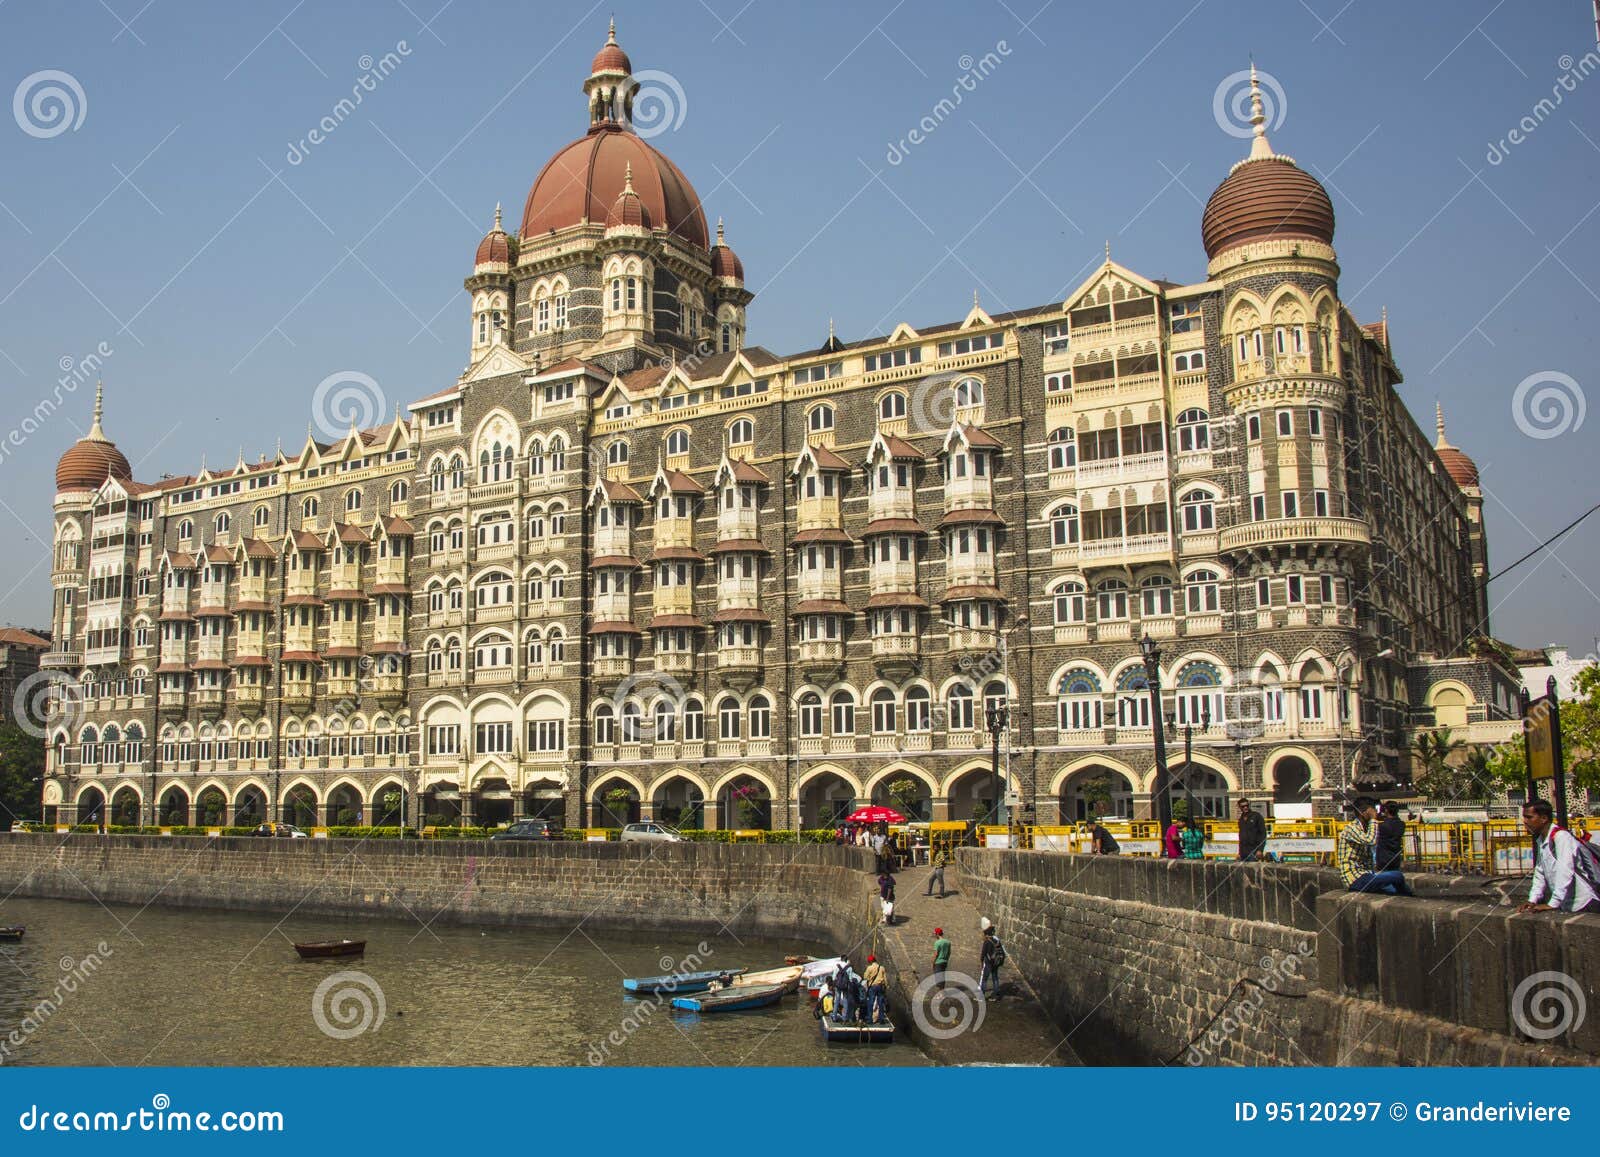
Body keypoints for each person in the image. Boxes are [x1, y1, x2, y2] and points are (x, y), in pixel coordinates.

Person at [1517, 800, 1600, 914]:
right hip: (1567, 904)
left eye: (1529, 817)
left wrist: (1553, 903)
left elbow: (1565, 870)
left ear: (1543, 818)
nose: (1525, 821)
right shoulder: (1542, 839)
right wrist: (1532, 899)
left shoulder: (1561, 837)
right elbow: (1540, 872)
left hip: (1583, 902)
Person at [1338, 796, 1414, 895]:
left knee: (1393, 890)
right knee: (1397, 876)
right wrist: (1373, 820)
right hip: (1355, 878)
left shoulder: (1366, 829)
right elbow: (1370, 840)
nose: (1376, 813)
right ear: (1364, 812)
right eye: (1373, 811)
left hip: (1366, 875)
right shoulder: (1350, 829)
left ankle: (1408, 897)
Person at [1375, 801, 1406, 874]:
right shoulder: (1401, 825)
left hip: (1383, 859)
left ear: (1386, 810)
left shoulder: (1382, 826)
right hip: (1396, 859)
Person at [979, 925, 1006, 1000]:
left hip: (988, 963)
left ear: (986, 934)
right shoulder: (997, 941)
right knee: (995, 978)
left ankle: (981, 996)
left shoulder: (987, 942)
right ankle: (996, 996)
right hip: (995, 963)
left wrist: (981, 963)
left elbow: (983, 954)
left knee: (984, 979)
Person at [861, 954, 888, 1023]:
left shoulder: (869, 968)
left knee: (871, 1002)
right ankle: (881, 1019)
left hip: (872, 987)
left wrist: (870, 978)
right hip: (880, 986)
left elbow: (865, 977)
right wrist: (886, 986)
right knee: (880, 1003)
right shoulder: (882, 967)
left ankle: (870, 1019)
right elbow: (885, 979)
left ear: (870, 961)